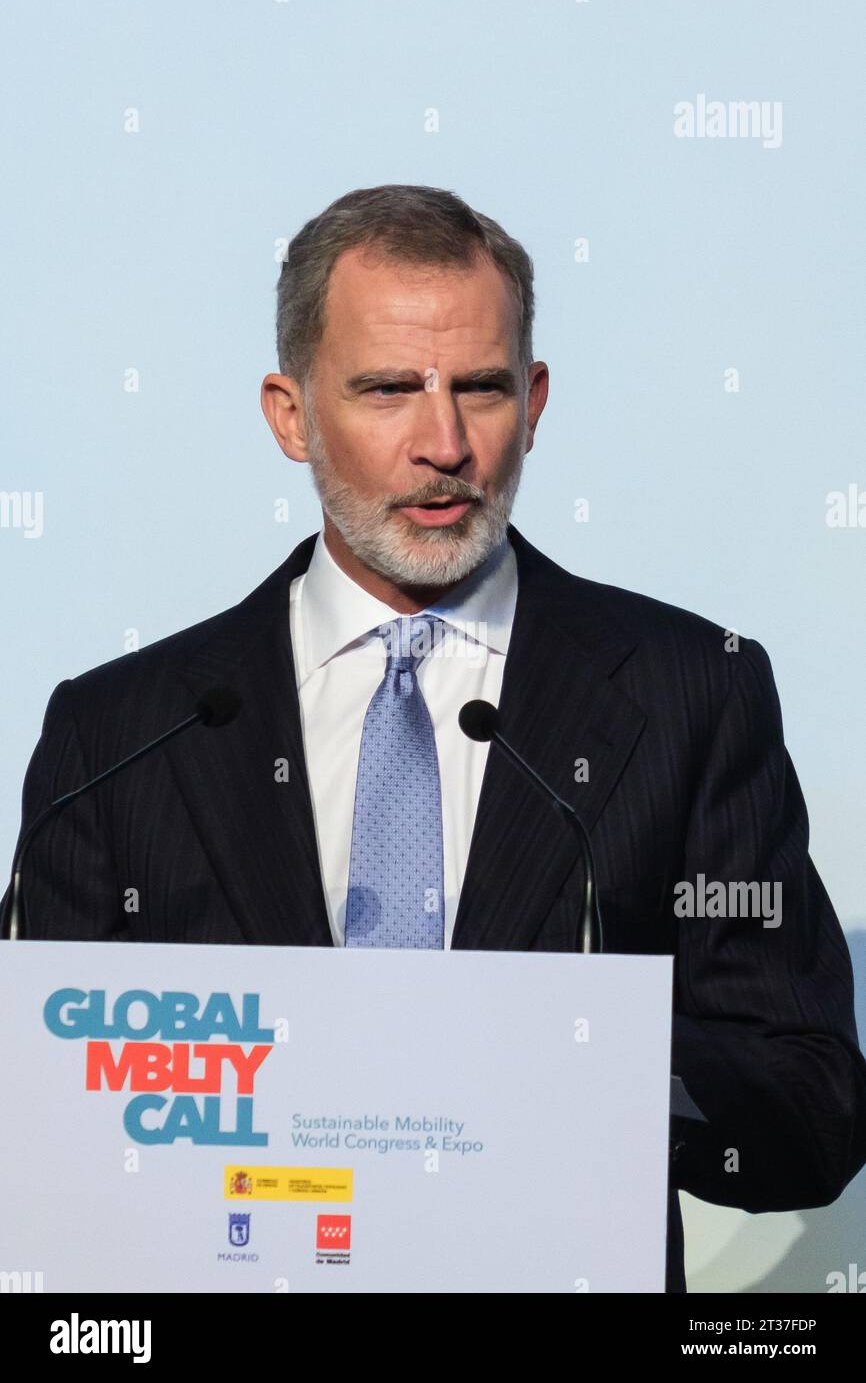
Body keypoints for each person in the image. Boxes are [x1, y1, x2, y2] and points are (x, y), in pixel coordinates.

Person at [6, 185, 866, 1292]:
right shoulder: (119, 733)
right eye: (386, 390)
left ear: (535, 401)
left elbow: (811, 1110)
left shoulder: (692, 694)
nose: (444, 443)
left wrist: (582, 1059)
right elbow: (40, 1131)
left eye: (480, 388)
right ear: (289, 414)